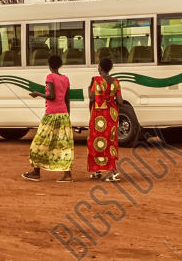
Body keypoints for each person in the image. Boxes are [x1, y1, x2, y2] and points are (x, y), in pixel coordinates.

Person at [22, 53, 74, 182]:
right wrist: (67, 115)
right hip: (63, 115)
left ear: (49, 65)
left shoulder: (50, 76)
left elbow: (52, 96)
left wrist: (37, 93)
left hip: (51, 115)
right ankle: (67, 175)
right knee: (64, 145)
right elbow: (67, 100)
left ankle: (36, 172)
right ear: (59, 65)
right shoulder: (66, 79)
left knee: (38, 143)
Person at [86, 56, 123, 182]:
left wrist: (89, 87)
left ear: (100, 68)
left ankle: (111, 171)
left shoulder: (96, 80)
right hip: (111, 115)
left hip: (98, 115)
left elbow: (91, 98)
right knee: (110, 142)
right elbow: (120, 101)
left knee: (95, 142)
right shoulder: (116, 81)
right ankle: (99, 171)